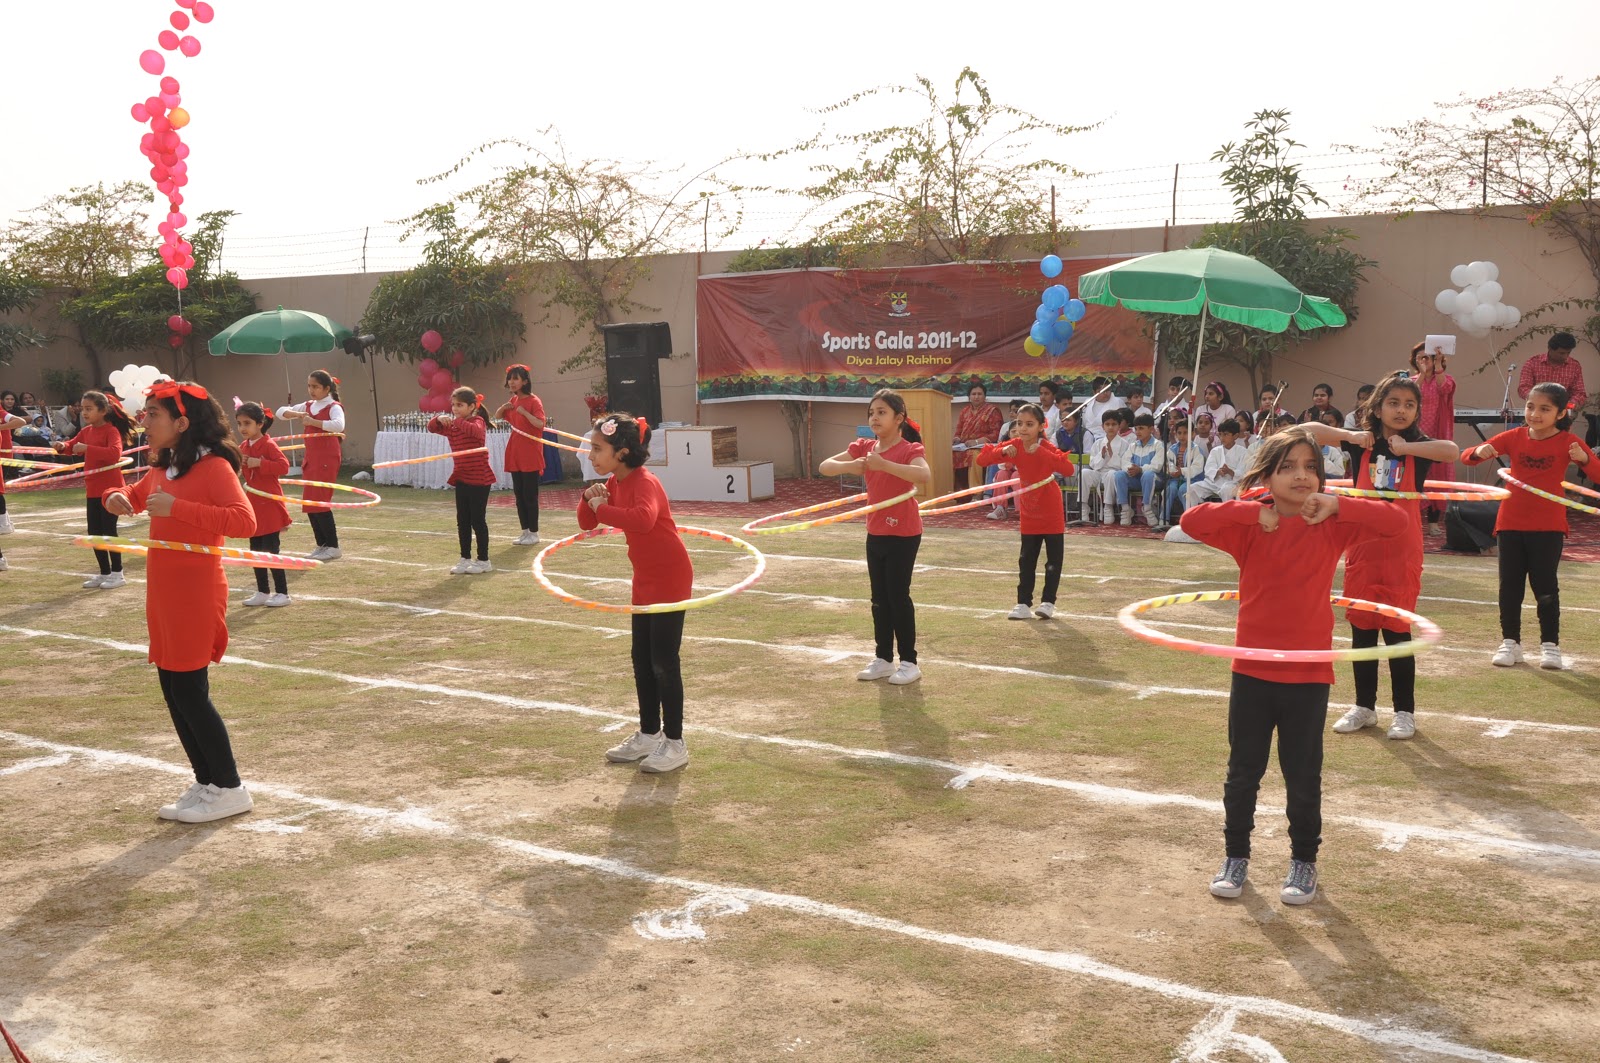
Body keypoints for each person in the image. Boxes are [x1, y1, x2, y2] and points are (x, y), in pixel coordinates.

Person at [1180, 428, 1408, 905]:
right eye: (1286, 467)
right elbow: (1193, 519)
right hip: (1252, 671)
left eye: (1309, 467)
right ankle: (1235, 856)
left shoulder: (1330, 521)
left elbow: (1397, 523)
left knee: (1303, 774)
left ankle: (1304, 861)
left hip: (1308, 674)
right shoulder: (1250, 527)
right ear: (1266, 475)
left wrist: (1339, 504)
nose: (1301, 476)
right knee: (1243, 771)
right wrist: (1252, 509)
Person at [103, 381, 258, 823]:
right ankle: (206, 780)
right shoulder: (164, 465)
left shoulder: (213, 468)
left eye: (153, 414)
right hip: (164, 588)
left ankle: (229, 786)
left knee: (190, 691)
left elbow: (244, 521)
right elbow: (133, 498)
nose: (143, 420)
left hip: (196, 590)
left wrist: (178, 509)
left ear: (182, 422)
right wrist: (118, 500)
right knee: (173, 689)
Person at [1300, 372, 1460, 740]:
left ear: (1417, 410)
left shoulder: (1418, 443)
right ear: (1377, 407)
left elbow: (1451, 451)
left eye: (1409, 404)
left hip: (1402, 548)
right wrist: (1348, 435)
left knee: (1397, 630)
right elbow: (1307, 431)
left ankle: (1405, 712)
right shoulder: (1362, 442)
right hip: (1363, 546)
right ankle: (1364, 706)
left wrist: (1408, 449)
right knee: (1363, 630)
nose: (1401, 410)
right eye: (1393, 403)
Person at [1463, 382, 1600, 671]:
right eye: (1530, 406)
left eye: (1545, 409)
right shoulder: (1514, 436)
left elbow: (1597, 473)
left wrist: (1584, 458)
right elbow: (1466, 456)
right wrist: (1480, 451)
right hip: (1511, 522)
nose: (1535, 414)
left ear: (1561, 413)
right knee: (1509, 585)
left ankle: (1550, 645)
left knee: (1545, 586)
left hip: (1548, 525)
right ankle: (1510, 642)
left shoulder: (1568, 442)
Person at [586, 413, 695, 773]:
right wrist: (590, 500)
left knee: (664, 662)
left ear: (622, 452)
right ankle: (649, 734)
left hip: (670, 578)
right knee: (642, 661)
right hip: (644, 581)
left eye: (597, 448)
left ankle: (675, 742)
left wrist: (603, 508)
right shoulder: (613, 482)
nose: (590, 455)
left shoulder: (645, 481)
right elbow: (588, 522)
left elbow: (644, 519)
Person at [819, 388, 930, 685]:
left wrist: (884, 465)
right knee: (879, 599)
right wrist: (851, 465)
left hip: (904, 532)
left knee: (898, 596)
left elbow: (924, 476)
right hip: (876, 530)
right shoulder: (864, 446)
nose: (875, 417)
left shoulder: (909, 449)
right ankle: (883, 658)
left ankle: (909, 662)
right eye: (871, 412)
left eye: (882, 412)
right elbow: (825, 467)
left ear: (899, 418)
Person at [975, 403, 1076, 620]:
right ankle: (1023, 603)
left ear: (1041, 426)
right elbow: (981, 460)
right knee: (1026, 558)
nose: (1023, 428)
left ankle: (1048, 602)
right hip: (1029, 509)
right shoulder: (1015, 445)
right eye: (1020, 423)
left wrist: (1041, 451)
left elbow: (1068, 469)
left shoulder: (1046, 447)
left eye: (1029, 424)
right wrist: (1002, 451)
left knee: (1053, 560)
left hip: (1050, 508)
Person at [55, 391, 135, 589]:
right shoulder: (87, 431)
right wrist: (61, 445)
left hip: (111, 490)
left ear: (103, 410)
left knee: (109, 531)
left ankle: (118, 573)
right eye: (82, 409)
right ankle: (104, 572)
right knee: (94, 532)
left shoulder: (111, 431)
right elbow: (71, 447)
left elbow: (114, 454)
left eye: (89, 409)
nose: (84, 413)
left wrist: (87, 448)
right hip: (92, 489)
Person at [276, 370, 344, 561]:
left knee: (320, 502)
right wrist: (296, 413)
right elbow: (280, 412)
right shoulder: (308, 406)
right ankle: (322, 545)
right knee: (310, 502)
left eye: (315, 386)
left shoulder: (333, 406)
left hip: (326, 458)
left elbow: (339, 425)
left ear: (327, 388)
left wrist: (313, 421)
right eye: (309, 386)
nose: (311, 390)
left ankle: (333, 546)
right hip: (312, 458)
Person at [430, 387, 496, 575]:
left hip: (480, 479)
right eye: (453, 405)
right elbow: (432, 428)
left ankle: (483, 560)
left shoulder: (478, 421)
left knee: (477, 520)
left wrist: (457, 421)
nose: (455, 409)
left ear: (472, 406)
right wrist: (437, 420)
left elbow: (475, 432)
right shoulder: (453, 426)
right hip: (462, 477)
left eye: (460, 405)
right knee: (463, 520)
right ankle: (464, 558)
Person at [236, 401, 293, 607]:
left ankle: (283, 593)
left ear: (260, 424)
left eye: (247, 423)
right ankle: (262, 591)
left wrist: (260, 463)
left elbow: (284, 466)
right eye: (240, 423)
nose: (242, 428)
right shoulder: (243, 446)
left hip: (269, 505)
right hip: (253, 506)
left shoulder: (268, 445)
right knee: (255, 550)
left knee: (271, 550)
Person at [496, 363, 546, 546]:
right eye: (510, 378)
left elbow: (541, 424)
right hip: (515, 451)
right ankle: (524, 531)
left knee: (529, 495)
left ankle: (534, 532)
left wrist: (524, 412)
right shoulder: (514, 401)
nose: (511, 382)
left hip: (530, 453)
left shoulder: (534, 401)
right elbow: (499, 416)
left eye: (516, 378)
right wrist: (504, 408)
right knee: (518, 494)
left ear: (525, 381)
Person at [1411, 342, 1457, 522]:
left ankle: (1433, 521)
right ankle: (1413, 517)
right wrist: (1422, 375)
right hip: (1415, 434)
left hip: (1436, 434)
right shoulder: (1412, 380)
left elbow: (1444, 388)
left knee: (1437, 473)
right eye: (1419, 358)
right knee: (1415, 474)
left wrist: (1438, 365)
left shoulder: (1446, 378)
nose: (1422, 361)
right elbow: (1411, 392)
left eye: (1426, 357)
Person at [1518, 333, 1587, 436]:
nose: (1565, 356)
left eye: (1568, 353)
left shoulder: (1574, 365)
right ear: (1550, 348)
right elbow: (1523, 388)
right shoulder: (1532, 363)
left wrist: (1569, 405)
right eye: (1561, 353)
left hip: (1562, 415)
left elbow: (1579, 392)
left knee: (1560, 444)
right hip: (1537, 414)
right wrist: (1539, 400)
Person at [1113, 412, 1162, 526]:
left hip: (1154, 480)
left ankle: (1147, 508)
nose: (1137, 431)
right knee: (1119, 474)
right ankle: (1125, 509)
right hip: (1136, 479)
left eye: (1141, 428)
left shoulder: (1158, 445)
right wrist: (1131, 469)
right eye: (1136, 428)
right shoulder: (1133, 445)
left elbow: (1157, 466)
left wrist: (1140, 469)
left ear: (1151, 429)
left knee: (1148, 474)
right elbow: (1124, 462)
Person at [952, 381, 1002, 492]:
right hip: (963, 446)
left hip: (983, 447)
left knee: (973, 455)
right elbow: (959, 430)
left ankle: (976, 492)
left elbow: (996, 433)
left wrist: (976, 441)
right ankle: (956, 492)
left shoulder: (992, 410)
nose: (976, 397)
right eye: (973, 394)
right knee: (948, 455)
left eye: (979, 394)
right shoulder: (964, 411)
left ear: (985, 396)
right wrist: (956, 438)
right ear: (969, 396)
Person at [1084, 410, 1128, 525]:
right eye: (1107, 424)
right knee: (1084, 472)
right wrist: (1102, 456)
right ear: (1102, 426)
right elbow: (1093, 464)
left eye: (1114, 424)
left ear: (1119, 426)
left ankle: (1108, 506)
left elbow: (1124, 465)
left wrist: (1112, 455)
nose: (1110, 427)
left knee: (1111, 474)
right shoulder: (1098, 443)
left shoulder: (1125, 444)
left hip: (1113, 474)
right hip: (1099, 473)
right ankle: (1084, 507)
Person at [1189, 419, 1247, 505]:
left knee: (1226, 490)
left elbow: (1244, 472)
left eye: (1226, 434)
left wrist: (1231, 472)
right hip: (1215, 482)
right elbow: (1209, 468)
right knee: (1192, 488)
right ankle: (1198, 515)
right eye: (1220, 434)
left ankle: (1227, 516)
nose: (1222, 438)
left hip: (1232, 483)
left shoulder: (1243, 451)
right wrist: (1217, 472)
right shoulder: (1215, 451)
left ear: (1235, 436)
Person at [1165, 418, 1205, 523]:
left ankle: (1188, 519)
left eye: (1185, 433)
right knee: (1170, 489)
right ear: (1175, 434)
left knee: (1184, 490)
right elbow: (1168, 464)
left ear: (1192, 433)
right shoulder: (1172, 449)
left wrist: (1182, 471)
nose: (1182, 436)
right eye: (1179, 433)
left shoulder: (1195, 449)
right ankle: (1164, 518)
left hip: (1193, 479)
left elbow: (1197, 467)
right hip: (1175, 479)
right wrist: (1171, 471)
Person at [0, 404, 26, 543]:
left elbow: (20, 421)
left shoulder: (1, 413)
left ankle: (4, 522)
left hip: (3, 455)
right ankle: (5, 522)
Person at [1081, 376, 1126, 451]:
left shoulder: (1118, 402)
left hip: (1110, 439)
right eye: (1102, 391)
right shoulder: (1087, 403)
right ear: (1094, 392)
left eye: (1107, 390)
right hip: (1089, 441)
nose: (1105, 393)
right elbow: (1084, 424)